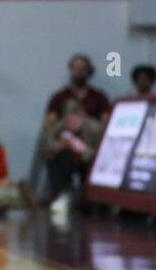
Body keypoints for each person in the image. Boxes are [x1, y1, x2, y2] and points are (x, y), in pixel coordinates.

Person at [41, 54, 111, 213]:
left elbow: (106, 124)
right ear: (70, 70)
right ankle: (62, 196)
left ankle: (94, 199)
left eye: (83, 69)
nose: (79, 72)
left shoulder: (99, 97)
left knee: (94, 156)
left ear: (89, 71)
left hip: (90, 142)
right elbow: (49, 127)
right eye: (76, 68)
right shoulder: (59, 97)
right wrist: (65, 128)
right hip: (65, 144)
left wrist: (84, 124)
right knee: (58, 153)